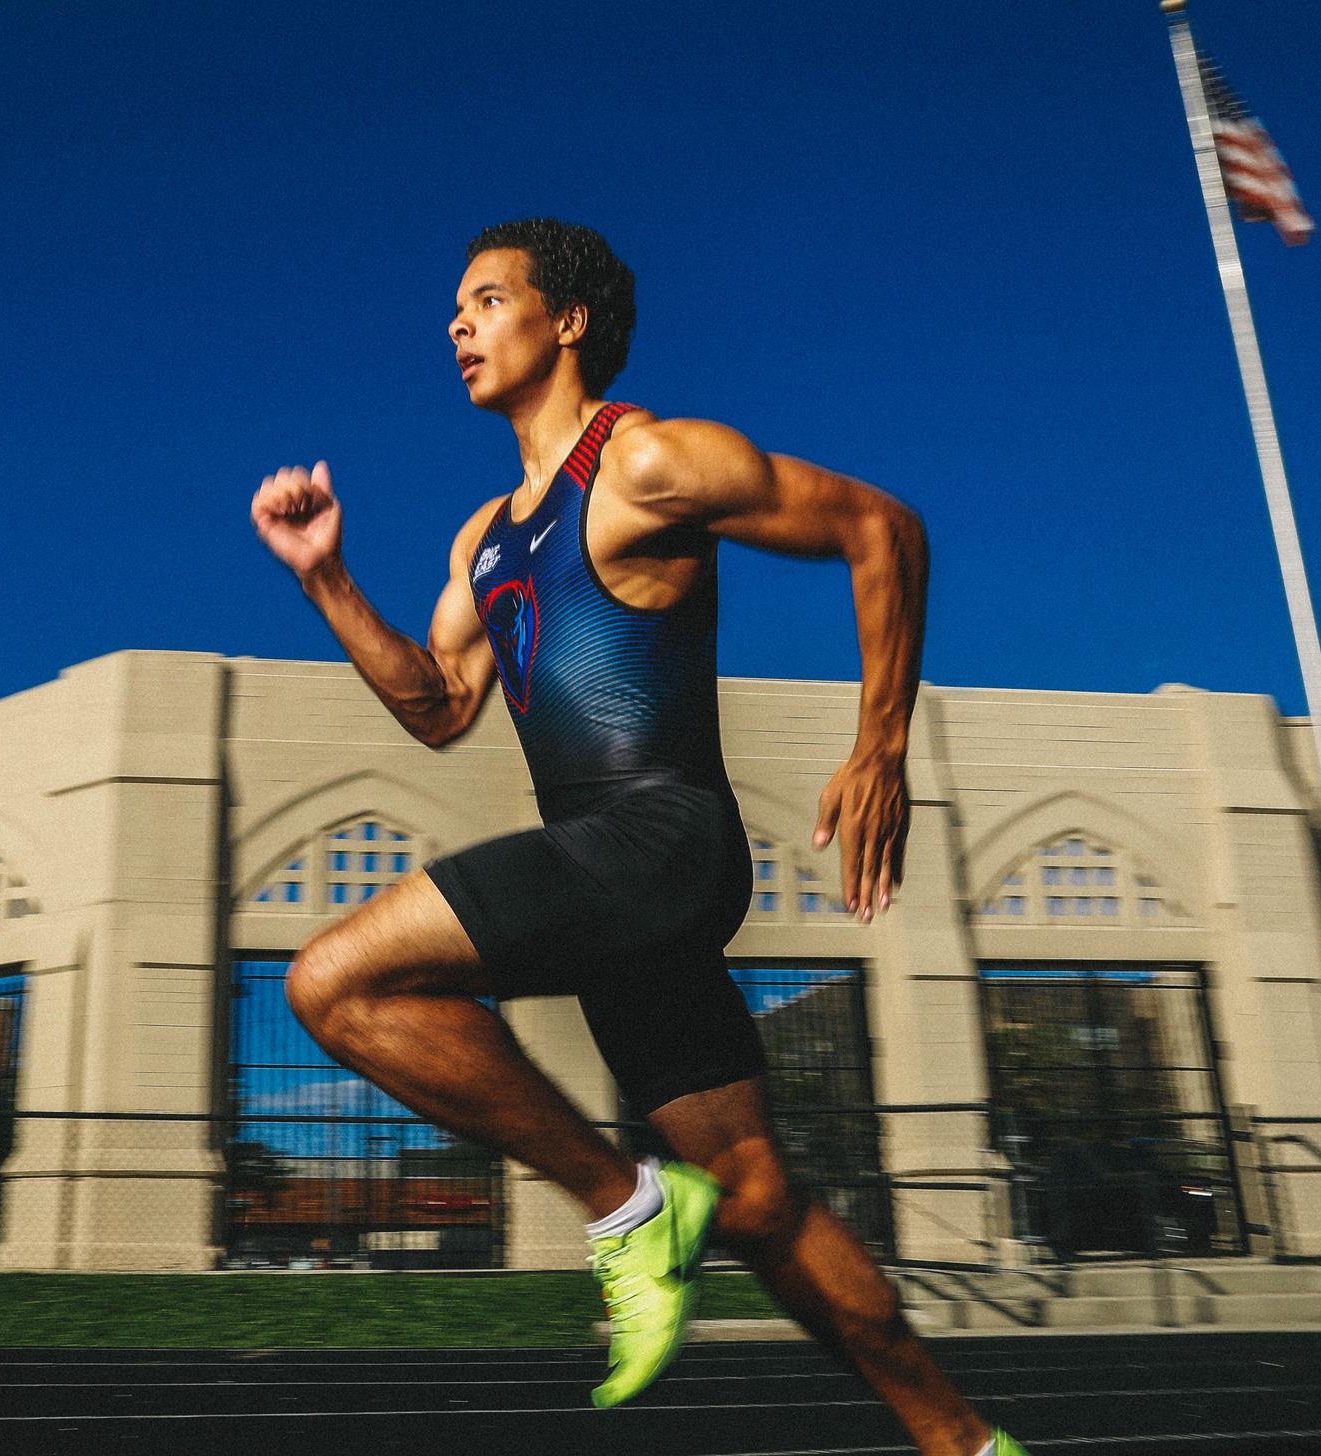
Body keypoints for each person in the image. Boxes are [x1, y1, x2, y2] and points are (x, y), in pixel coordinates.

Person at [250, 218, 1027, 1456]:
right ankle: (966, 1443)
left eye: (486, 299)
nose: (456, 324)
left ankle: (626, 1212)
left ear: (564, 321)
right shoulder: (482, 538)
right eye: (454, 307)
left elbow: (879, 528)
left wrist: (878, 744)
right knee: (759, 1201)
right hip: (613, 887)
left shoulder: (646, 460)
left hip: (663, 839)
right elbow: (438, 707)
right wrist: (324, 577)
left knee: (333, 981)